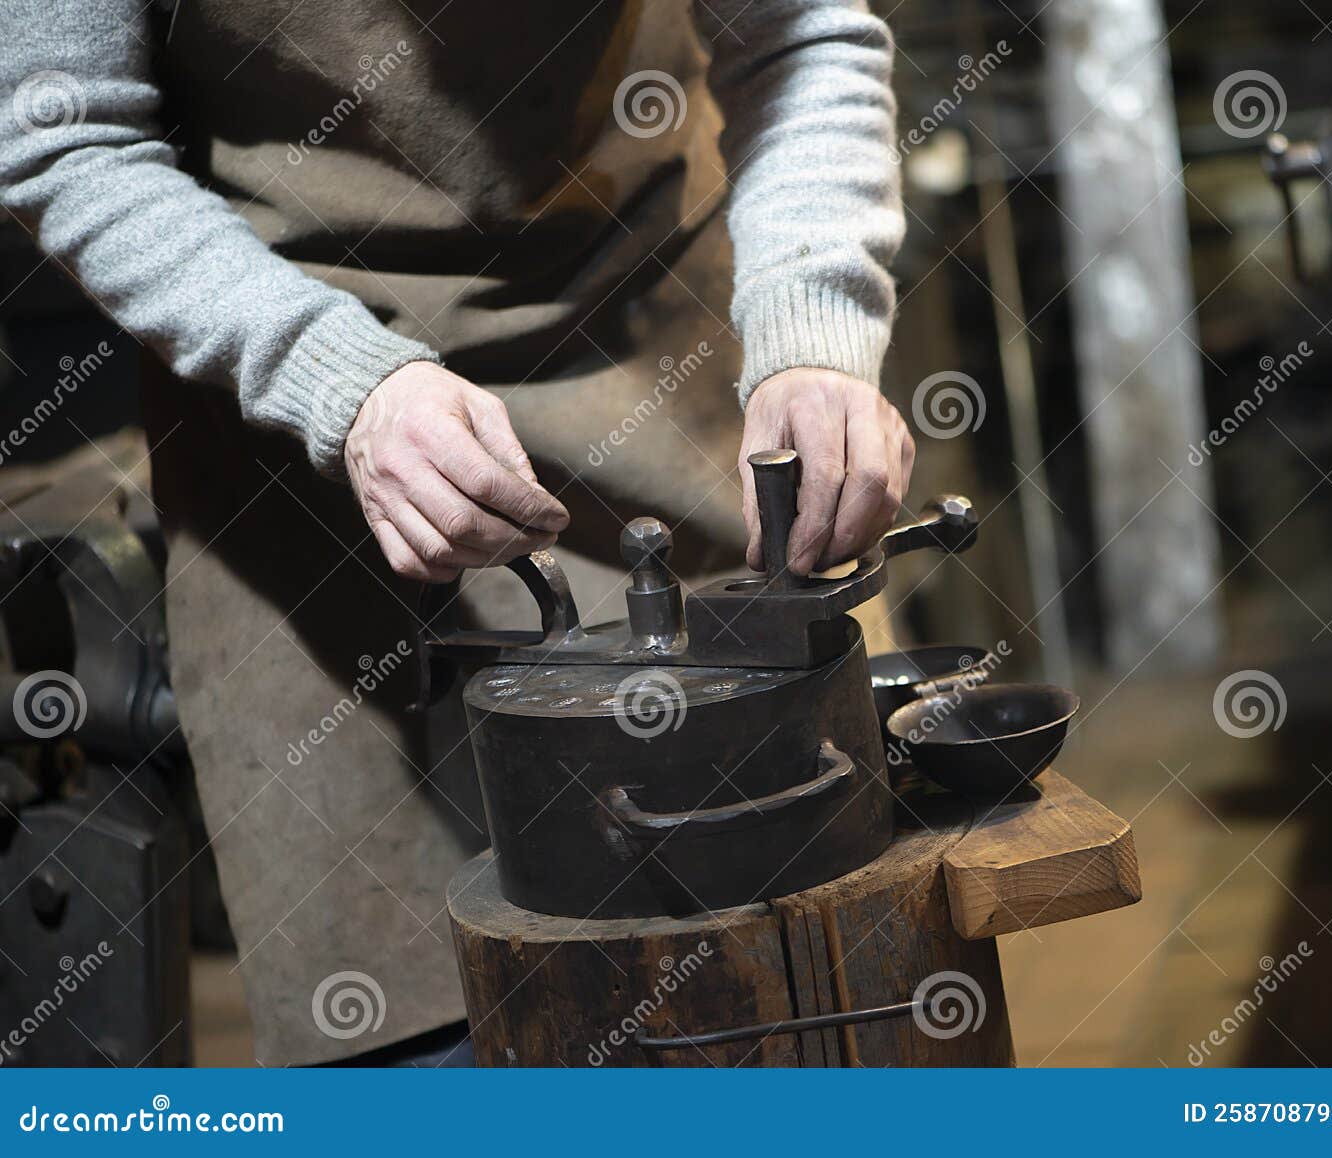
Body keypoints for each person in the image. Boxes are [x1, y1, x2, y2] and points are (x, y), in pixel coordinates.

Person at [1, 0, 914, 1063]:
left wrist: (813, 324)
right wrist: (335, 380)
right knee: (422, 1037)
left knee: (810, 973)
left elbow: (801, 32)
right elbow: (64, 134)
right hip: (295, 404)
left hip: (651, 335)